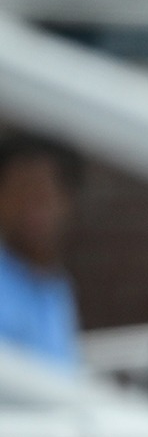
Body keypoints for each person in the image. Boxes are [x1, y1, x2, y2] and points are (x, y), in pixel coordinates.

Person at [0, 134, 84, 372]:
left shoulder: (56, 283)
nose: (30, 207)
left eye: (42, 193)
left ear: (66, 200)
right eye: (18, 192)